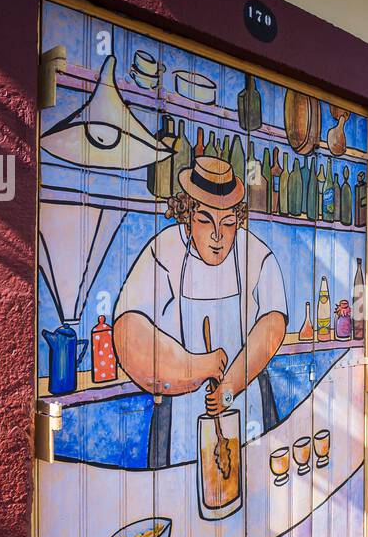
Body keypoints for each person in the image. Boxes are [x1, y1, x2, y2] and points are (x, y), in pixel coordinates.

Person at [114, 156, 288, 467]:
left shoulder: (256, 254)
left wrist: (230, 386)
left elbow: (272, 324)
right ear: (187, 215)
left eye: (229, 223)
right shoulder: (162, 251)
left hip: (246, 400)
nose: (218, 236)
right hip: (180, 408)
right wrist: (195, 366)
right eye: (206, 220)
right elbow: (128, 331)